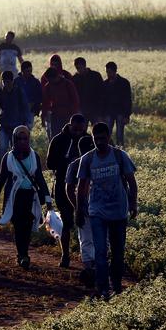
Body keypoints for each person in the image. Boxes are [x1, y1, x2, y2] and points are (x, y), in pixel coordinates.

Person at [75, 122, 138, 299]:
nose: (100, 142)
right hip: (97, 212)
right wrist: (79, 210)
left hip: (119, 211)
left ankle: (116, 284)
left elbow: (132, 182)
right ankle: (103, 288)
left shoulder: (120, 156)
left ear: (109, 137)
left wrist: (133, 204)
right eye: (97, 139)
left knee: (118, 252)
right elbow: (82, 187)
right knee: (100, 252)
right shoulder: (87, 159)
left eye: (103, 138)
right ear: (93, 138)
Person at [0, 126, 52, 270]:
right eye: (19, 139)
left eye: (25, 139)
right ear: (14, 140)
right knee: (18, 225)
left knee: (27, 225)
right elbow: (1, 179)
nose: (22, 141)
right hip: (14, 198)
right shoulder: (8, 157)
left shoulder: (34, 157)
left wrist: (48, 200)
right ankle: (22, 254)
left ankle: (24, 253)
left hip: (30, 197)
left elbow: (40, 178)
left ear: (28, 139)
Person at [47, 114, 88, 268]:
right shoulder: (58, 140)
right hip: (62, 186)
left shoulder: (88, 141)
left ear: (84, 127)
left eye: (80, 130)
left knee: (85, 223)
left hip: (85, 187)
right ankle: (65, 255)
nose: (77, 132)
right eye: (75, 129)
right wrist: (66, 162)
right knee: (66, 221)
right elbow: (50, 163)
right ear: (70, 125)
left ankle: (87, 257)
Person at [66, 135, 98, 287]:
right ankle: (93, 270)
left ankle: (90, 269)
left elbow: (69, 190)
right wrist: (78, 208)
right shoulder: (82, 164)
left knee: (86, 240)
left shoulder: (75, 164)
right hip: (92, 209)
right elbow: (69, 189)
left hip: (89, 209)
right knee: (96, 241)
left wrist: (77, 207)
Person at [0, 70, 30, 155]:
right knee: (2, 149)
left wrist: (26, 123)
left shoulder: (19, 92)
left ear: (12, 81)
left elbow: (25, 108)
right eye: (4, 82)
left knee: (18, 150)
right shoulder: (0, 93)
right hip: (5, 126)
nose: (6, 84)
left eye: (8, 82)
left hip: (17, 127)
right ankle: (2, 163)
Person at [41, 67, 80, 140]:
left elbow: (75, 101)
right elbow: (45, 103)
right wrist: (43, 117)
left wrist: (73, 116)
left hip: (68, 116)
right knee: (55, 138)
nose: (49, 82)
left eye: (50, 80)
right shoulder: (48, 86)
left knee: (69, 138)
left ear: (56, 77)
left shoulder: (68, 84)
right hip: (55, 116)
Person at [103, 61, 133, 147]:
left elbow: (128, 100)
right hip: (108, 112)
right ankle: (108, 149)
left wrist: (127, 115)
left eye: (109, 72)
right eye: (107, 72)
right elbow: (102, 100)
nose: (108, 74)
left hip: (120, 112)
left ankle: (119, 150)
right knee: (107, 135)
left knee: (119, 136)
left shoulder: (124, 83)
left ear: (115, 71)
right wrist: (102, 114)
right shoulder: (105, 84)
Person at [72, 57, 106, 126]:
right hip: (82, 108)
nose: (78, 70)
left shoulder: (95, 76)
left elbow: (102, 92)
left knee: (97, 129)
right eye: (77, 68)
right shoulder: (75, 78)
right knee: (81, 130)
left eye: (79, 67)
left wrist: (101, 110)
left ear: (84, 65)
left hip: (95, 108)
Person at [15, 60, 43, 130]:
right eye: (27, 71)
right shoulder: (16, 81)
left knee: (27, 129)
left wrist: (35, 104)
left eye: (30, 71)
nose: (29, 73)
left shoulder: (35, 82)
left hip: (30, 110)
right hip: (18, 110)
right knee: (18, 129)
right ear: (22, 71)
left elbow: (40, 95)